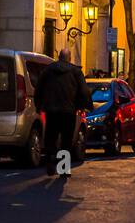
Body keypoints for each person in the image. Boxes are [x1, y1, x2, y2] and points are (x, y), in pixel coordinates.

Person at [32, 48, 92, 177]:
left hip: (51, 110)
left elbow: (39, 89)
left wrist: (39, 106)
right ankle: (63, 168)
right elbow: (84, 91)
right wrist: (83, 105)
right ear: (69, 58)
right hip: (68, 111)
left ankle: (50, 161)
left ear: (58, 57)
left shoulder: (47, 71)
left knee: (50, 138)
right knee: (66, 140)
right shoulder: (76, 72)